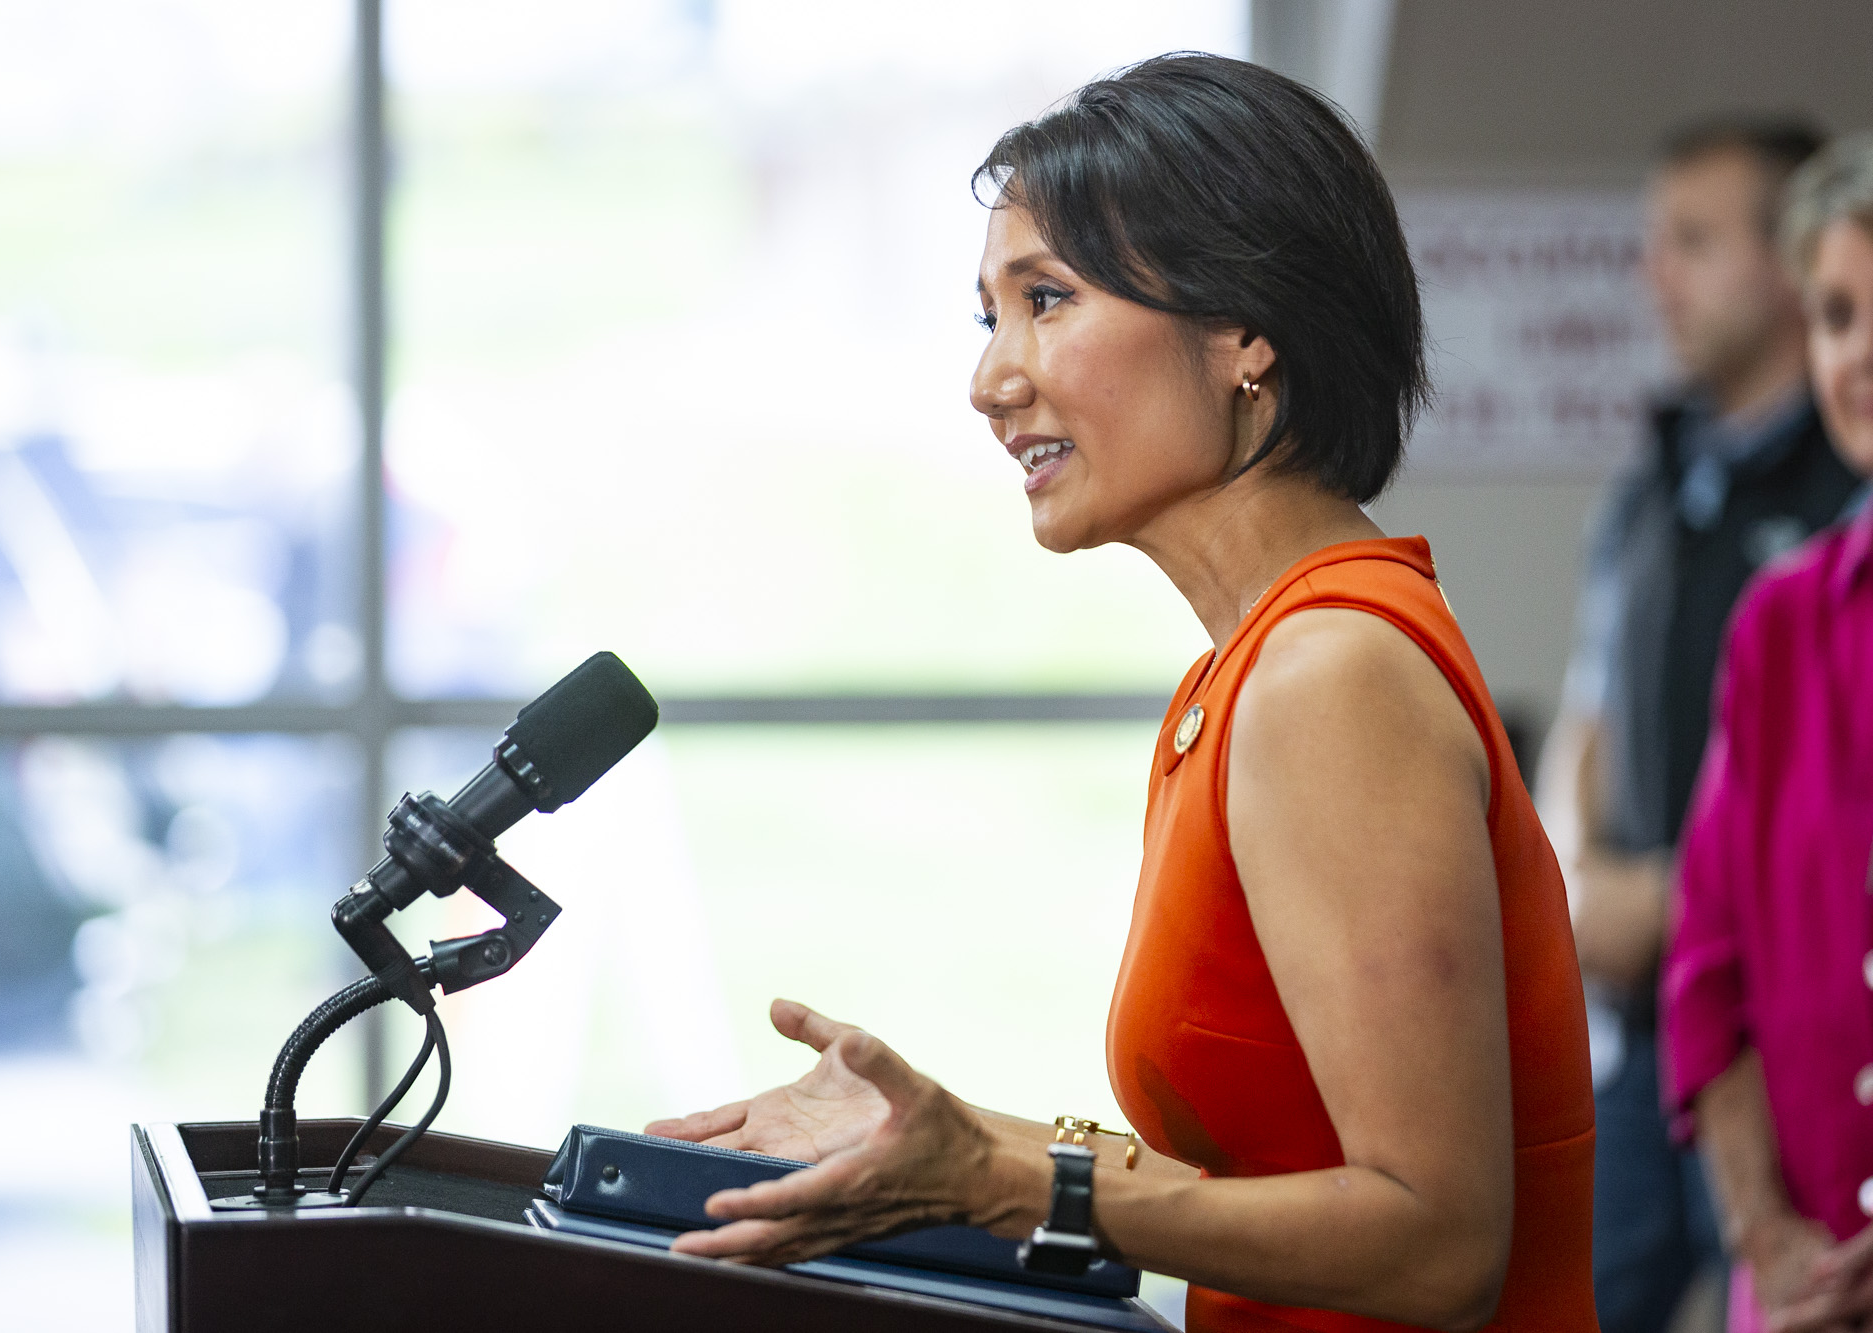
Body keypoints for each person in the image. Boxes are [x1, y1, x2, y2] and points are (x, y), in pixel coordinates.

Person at [646, 55, 1598, 1331]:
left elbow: (1433, 1241)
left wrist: (999, 1180)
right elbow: (1262, 1178)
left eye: (1046, 299)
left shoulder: (1329, 673)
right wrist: (936, 1130)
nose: (992, 380)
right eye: (988, 316)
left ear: (1244, 330)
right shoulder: (1248, 667)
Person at [1534, 115, 1856, 1333]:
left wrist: (1675, 900)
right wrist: (1576, 876)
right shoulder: (1655, 479)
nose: (1651, 276)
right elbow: (1590, 702)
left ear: (1792, 262)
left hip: (1788, 1016)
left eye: (1691, 241)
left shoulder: (1845, 500)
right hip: (1640, 1016)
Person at [1662, 131, 1873, 1333]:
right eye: (1839, 314)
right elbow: (1708, 972)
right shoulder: (1780, 623)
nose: (1861, 355)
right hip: (1794, 1295)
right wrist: (1762, 1233)